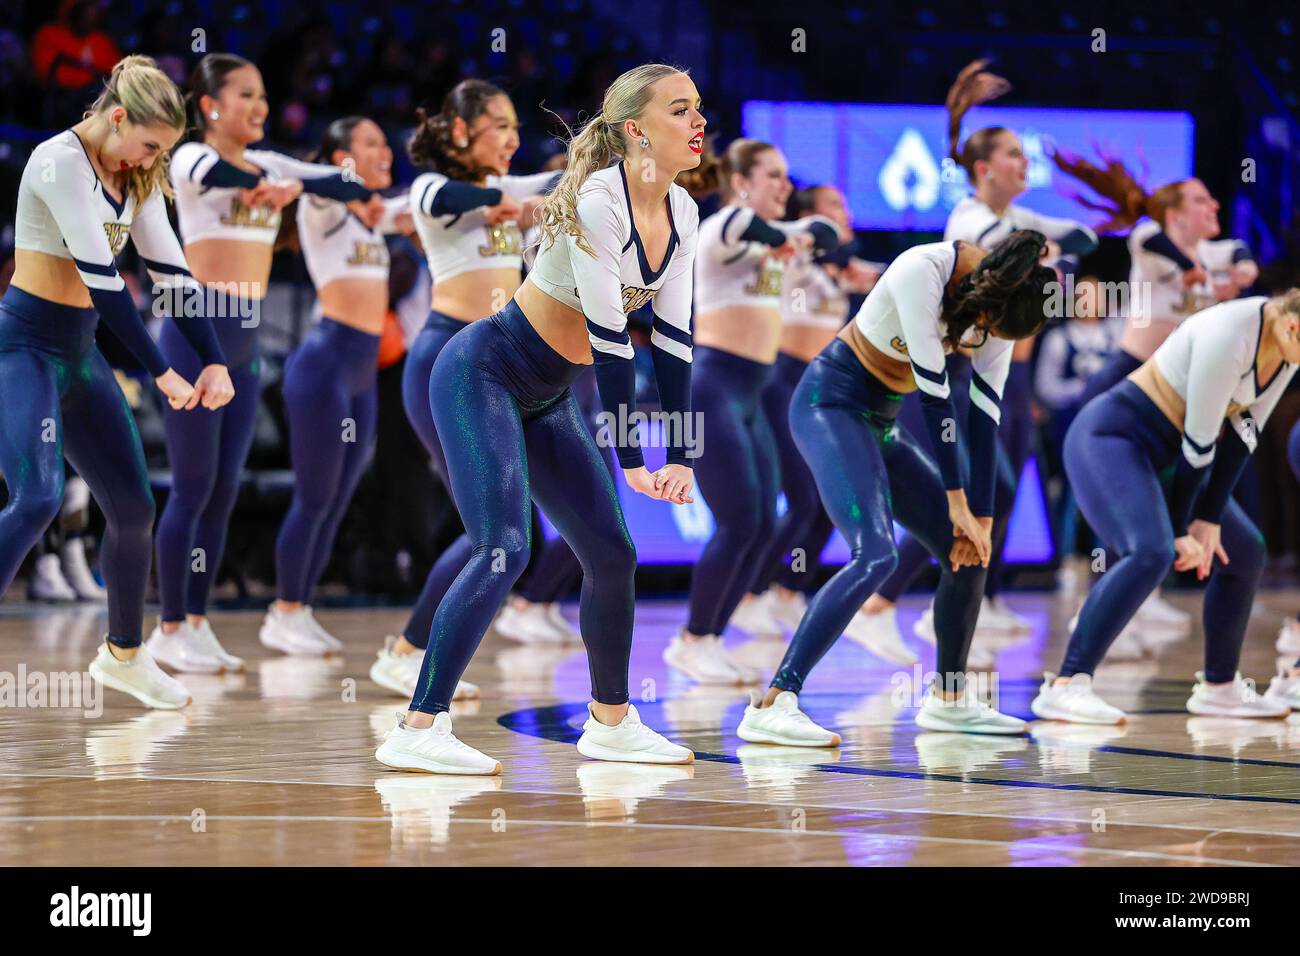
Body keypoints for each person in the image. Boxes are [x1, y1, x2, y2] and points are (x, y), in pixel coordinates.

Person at [376, 63, 705, 774]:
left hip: (550, 392)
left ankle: (610, 722)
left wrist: (683, 455)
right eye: (681, 110)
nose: (699, 122)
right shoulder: (598, 200)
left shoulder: (683, 212)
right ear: (636, 130)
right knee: (502, 547)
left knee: (612, 554)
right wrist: (637, 464)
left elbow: (675, 344)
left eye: (698, 108)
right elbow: (613, 338)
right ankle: (418, 723)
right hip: (480, 373)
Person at [734, 231, 1055, 746]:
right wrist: (956, 502)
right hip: (830, 405)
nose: (987, 335)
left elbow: (984, 420)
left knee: (969, 552)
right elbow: (937, 402)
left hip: (883, 422)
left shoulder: (1003, 300)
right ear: (989, 297)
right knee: (876, 555)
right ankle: (774, 702)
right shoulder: (921, 270)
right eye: (990, 326)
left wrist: (983, 519)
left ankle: (949, 700)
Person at [1, 55, 233, 708]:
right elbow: (105, 283)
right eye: (150, 145)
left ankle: (124, 656)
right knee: (38, 498)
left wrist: (211, 359)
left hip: (78, 356)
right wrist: (161, 371)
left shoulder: (137, 177)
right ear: (118, 116)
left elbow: (175, 277)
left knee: (133, 507)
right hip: (22, 348)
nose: (149, 160)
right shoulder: (58, 160)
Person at [854, 60, 1098, 657]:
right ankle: (881, 604)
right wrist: (1050, 260)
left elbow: (1086, 241)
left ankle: (960, 597)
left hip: (982, 367)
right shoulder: (972, 220)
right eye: (1014, 154)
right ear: (984, 169)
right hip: (944, 371)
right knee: (955, 495)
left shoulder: (1016, 221)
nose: (1025, 163)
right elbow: (1040, 270)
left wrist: (1049, 256)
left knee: (1001, 486)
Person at [150, 53, 377, 669]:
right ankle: (168, 625)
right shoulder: (192, 157)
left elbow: (352, 182)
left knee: (223, 491)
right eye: (245, 95)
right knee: (192, 488)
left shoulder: (273, 164)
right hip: (197, 339)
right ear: (209, 106)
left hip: (245, 348)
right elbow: (213, 176)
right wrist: (262, 185)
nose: (259, 107)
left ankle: (194, 621)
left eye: (264, 97)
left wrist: (295, 183)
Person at [370, 80, 568, 703]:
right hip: (444, 359)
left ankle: (414, 649)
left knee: (508, 526)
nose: (512, 139)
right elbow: (457, 196)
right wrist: (509, 201)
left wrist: (538, 197)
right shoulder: (432, 188)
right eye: (499, 126)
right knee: (491, 527)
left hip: (504, 364)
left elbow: (557, 189)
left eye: (516, 128)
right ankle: (407, 652)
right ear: (461, 131)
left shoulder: (510, 191)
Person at [1031, 291, 1300, 723]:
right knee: (1152, 550)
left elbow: (1242, 438)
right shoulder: (1229, 333)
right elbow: (1199, 448)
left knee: (1245, 551)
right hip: (1113, 439)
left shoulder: (1287, 350)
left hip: (1170, 460)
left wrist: (1209, 519)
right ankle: (1066, 685)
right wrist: (1184, 527)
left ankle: (1220, 687)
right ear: (1293, 326)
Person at [665, 138, 841, 685]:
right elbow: (755, 230)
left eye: (786, 177)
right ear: (741, 181)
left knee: (765, 522)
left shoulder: (774, 245)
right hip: (712, 386)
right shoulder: (723, 229)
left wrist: (801, 239)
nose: (785, 187)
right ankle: (692, 638)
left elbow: (828, 236)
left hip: (752, 392)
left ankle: (710, 636)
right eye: (773, 176)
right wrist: (796, 237)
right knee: (739, 519)